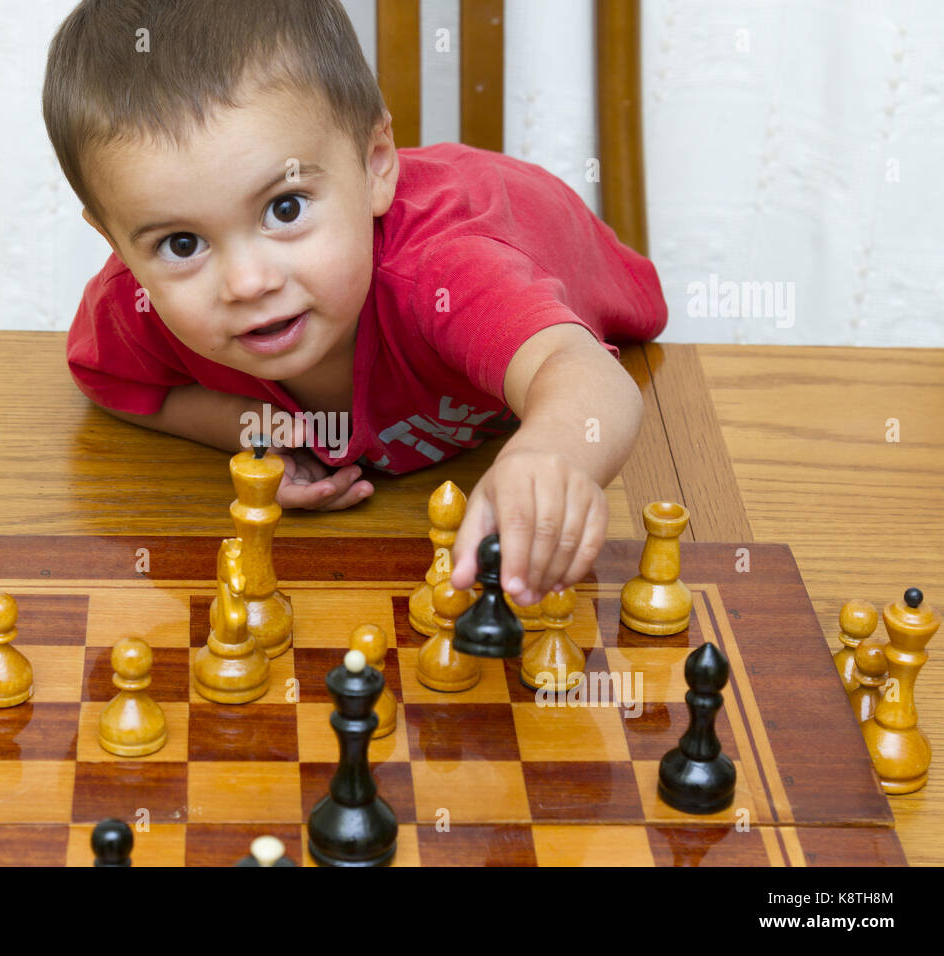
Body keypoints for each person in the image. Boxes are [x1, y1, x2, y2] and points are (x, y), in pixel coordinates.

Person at [42, 0, 668, 608]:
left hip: (571, 274)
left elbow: (589, 376)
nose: (247, 281)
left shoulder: (447, 275)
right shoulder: (137, 304)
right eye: (182, 244)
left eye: (284, 208)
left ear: (375, 165)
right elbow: (105, 380)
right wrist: (255, 430)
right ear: (115, 241)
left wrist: (550, 456)